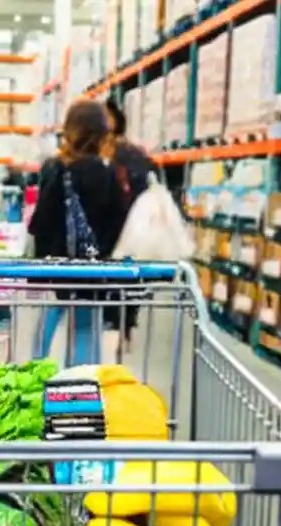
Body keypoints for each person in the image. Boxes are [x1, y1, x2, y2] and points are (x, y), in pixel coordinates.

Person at [28, 100, 126, 365]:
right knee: (85, 331)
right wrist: (102, 253)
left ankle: (35, 377)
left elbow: (42, 221)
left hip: (57, 267)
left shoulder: (54, 168)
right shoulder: (107, 174)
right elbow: (119, 219)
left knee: (45, 326)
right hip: (91, 270)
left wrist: (41, 262)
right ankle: (80, 390)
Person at [103, 95, 160, 346]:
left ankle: (121, 325)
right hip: (119, 224)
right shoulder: (111, 151)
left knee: (124, 275)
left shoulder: (123, 152)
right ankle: (120, 326)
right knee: (122, 277)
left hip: (126, 223)